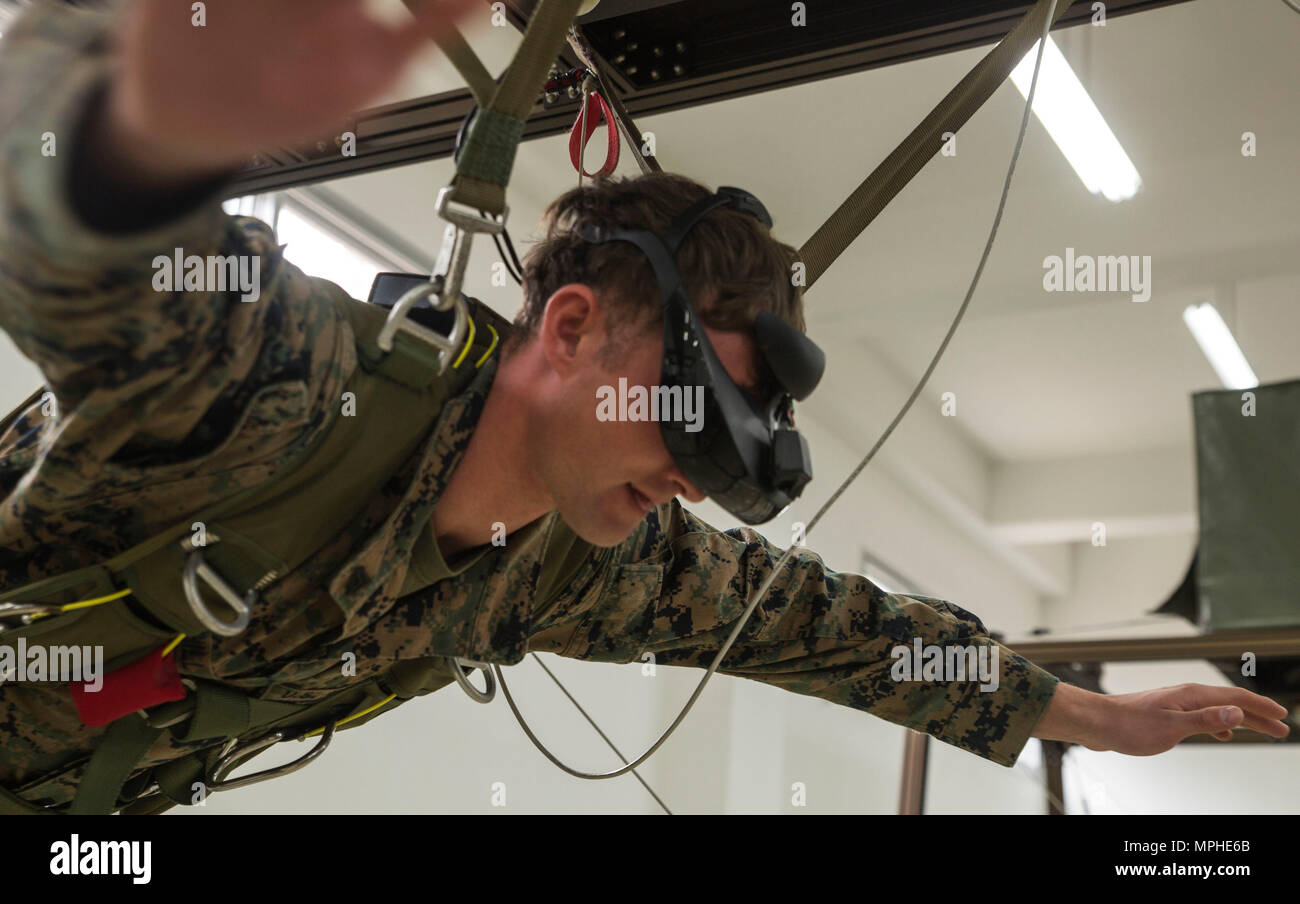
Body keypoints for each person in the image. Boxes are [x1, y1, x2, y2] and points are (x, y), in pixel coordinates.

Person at [0, 0, 1288, 812]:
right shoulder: (288, 382)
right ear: (567, 327)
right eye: (693, 420)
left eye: (731, 456)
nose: (691, 478)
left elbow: (849, 636)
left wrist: (1076, 708)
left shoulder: (573, 563)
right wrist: (139, 121)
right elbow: (57, 229)